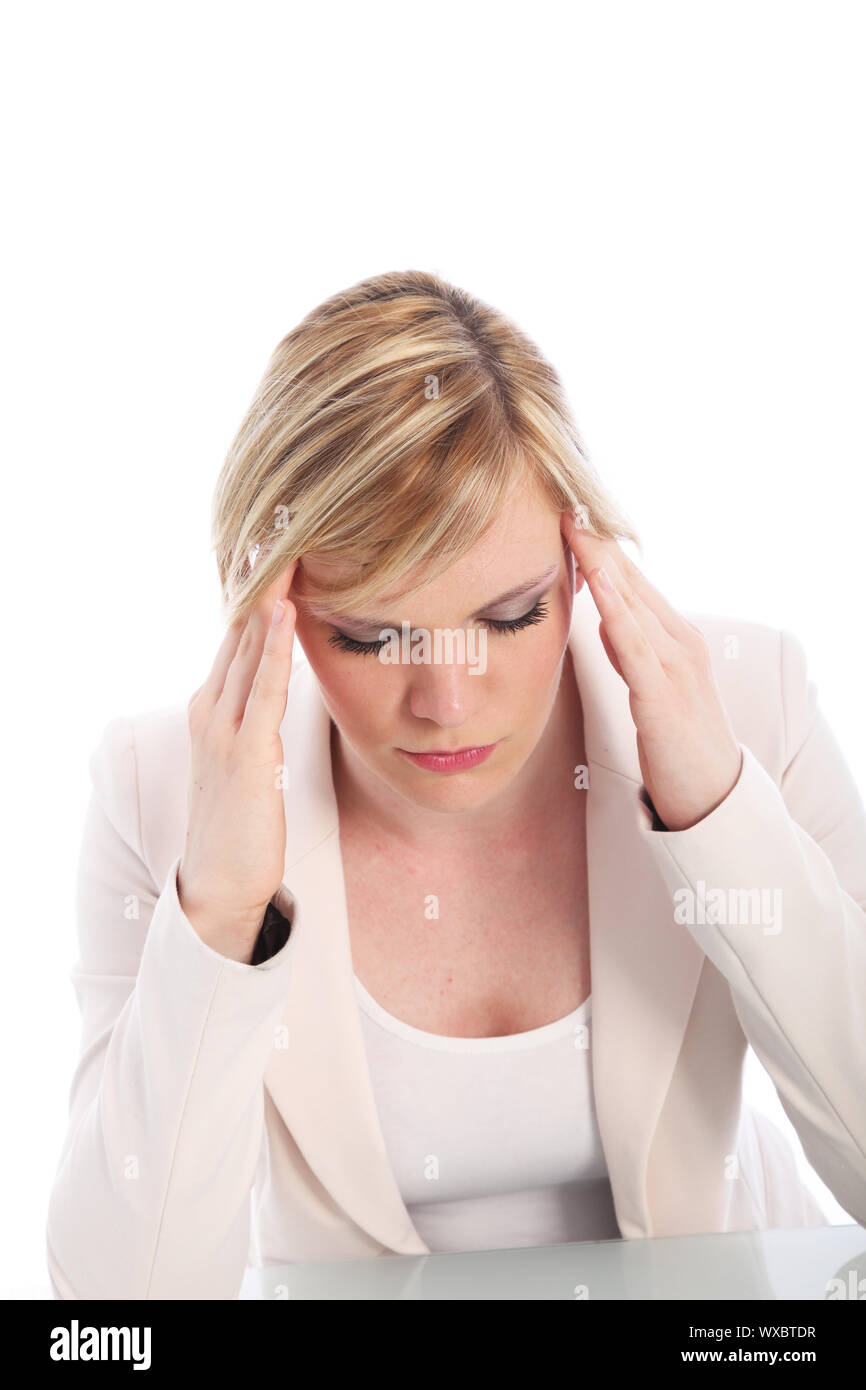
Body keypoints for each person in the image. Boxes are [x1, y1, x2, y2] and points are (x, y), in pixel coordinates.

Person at [46, 269, 866, 1300]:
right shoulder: (156, 787)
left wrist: (714, 811)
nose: (443, 700)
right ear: (277, 602)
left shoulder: (750, 706)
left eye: (507, 616)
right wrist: (217, 915)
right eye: (371, 634)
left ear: (580, 559)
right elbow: (122, 1302)